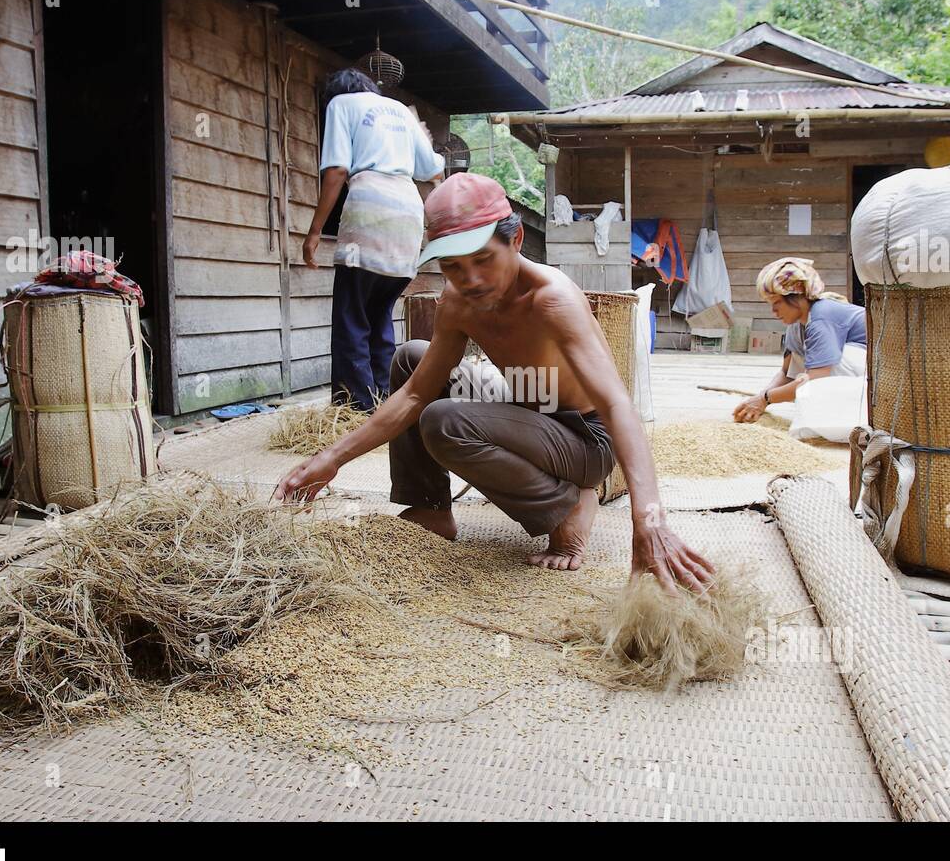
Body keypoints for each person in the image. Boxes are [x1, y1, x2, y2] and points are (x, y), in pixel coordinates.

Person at [277, 173, 714, 593]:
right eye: (452, 266)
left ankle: (567, 506)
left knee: (445, 421)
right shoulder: (459, 302)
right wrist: (331, 458)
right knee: (411, 359)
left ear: (517, 240)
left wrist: (650, 518)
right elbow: (413, 394)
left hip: (584, 439)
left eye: (484, 259)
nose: (470, 280)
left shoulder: (552, 300)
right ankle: (431, 509)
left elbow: (618, 405)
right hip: (528, 403)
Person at [306, 68, 445, 412]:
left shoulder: (340, 104)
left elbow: (337, 170)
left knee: (351, 315)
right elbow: (432, 170)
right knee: (380, 312)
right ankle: (385, 399)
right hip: (407, 216)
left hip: (370, 211)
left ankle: (355, 409)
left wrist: (313, 232)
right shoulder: (399, 110)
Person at [734, 257, 867, 423]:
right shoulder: (797, 326)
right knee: (804, 370)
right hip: (855, 376)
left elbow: (818, 378)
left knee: (821, 369)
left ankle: (850, 420)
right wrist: (760, 398)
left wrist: (765, 399)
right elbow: (787, 373)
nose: (773, 310)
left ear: (797, 298)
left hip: (879, 374)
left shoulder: (821, 316)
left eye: (776, 302)